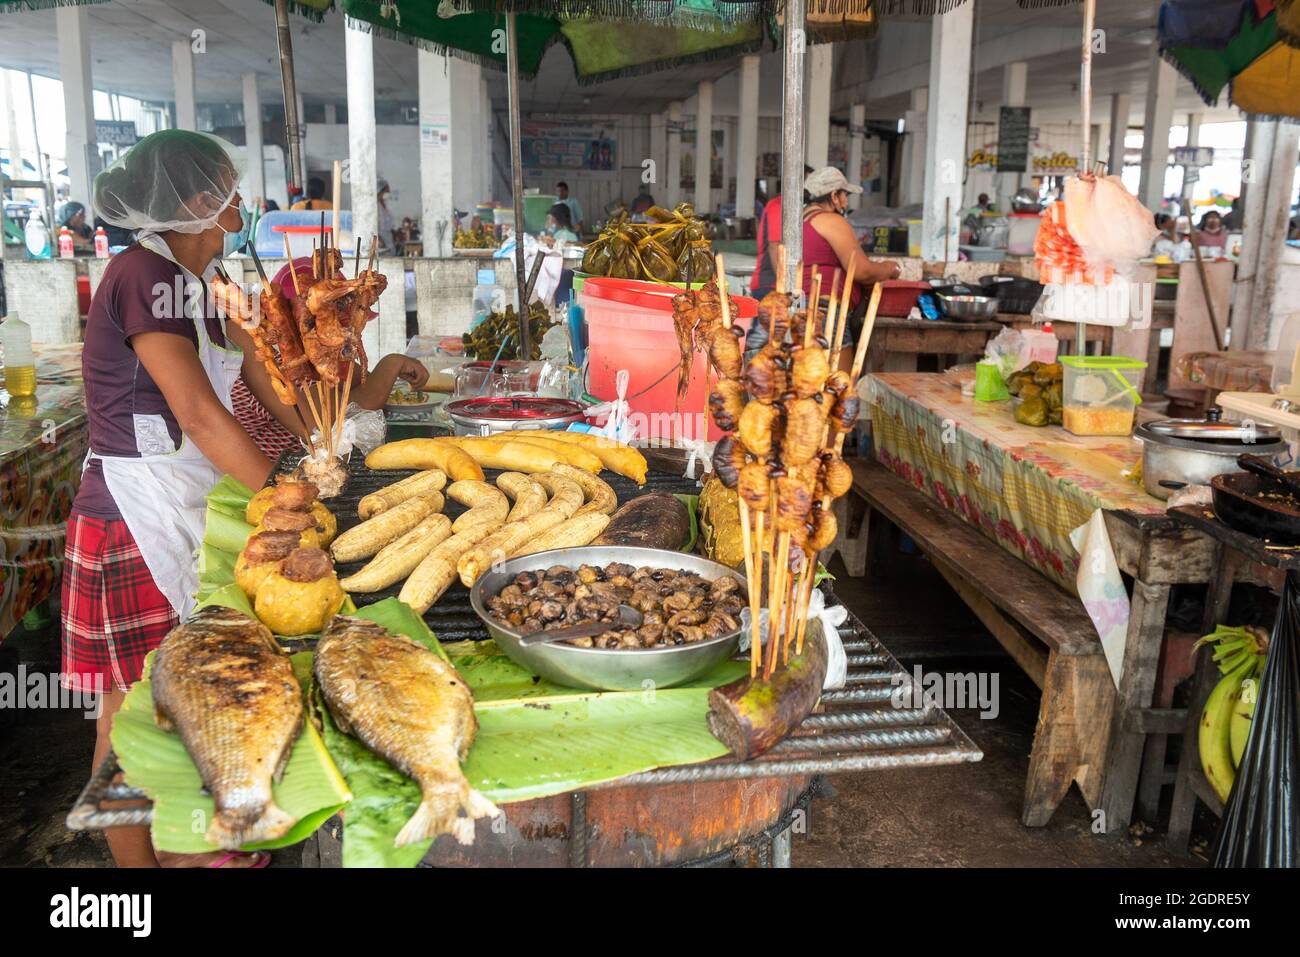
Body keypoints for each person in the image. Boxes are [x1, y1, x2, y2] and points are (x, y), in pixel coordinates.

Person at [62, 130, 296, 868]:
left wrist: (318, 439)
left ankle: (184, 851)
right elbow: (197, 412)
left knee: (176, 702)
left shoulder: (197, 282)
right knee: (130, 718)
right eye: (227, 187)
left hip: (178, 505)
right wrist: (281, 492)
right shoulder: (138, 275)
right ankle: (137, 876)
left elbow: (255, 375)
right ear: (197, 202)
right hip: (133, 516)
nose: (239, 201)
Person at [231, 256, 429, 460]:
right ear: (301, 320)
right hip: (273, 472)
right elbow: (338, 420)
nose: (341, 331)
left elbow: (354, 382)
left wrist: (382, 374)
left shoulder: (317, 353)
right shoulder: (281, 360)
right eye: (332, 324)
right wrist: (392, 364)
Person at [800, 166, 901, 340]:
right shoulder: (831, 221)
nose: (846, 203)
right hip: (825, 313)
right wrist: (890, 269)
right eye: (844, 195)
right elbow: (862, 271)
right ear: (834, 196)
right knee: (839, 368)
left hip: (804, 308)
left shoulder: (802, 219)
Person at [750, 165, 813, 299]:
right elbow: (775, 246)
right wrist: (784, 286)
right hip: (769, 287)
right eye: (807, 183)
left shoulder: (796, 209)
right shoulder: (778, 205)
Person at [377, 178, 397, 252]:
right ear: (381, 191)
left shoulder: (386, 204)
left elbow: (389, 221)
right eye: (387, 191)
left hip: (388, 237)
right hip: (381, 238)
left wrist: (394, 232)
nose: (388, 193)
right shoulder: (375, 205)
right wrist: (379, 239)